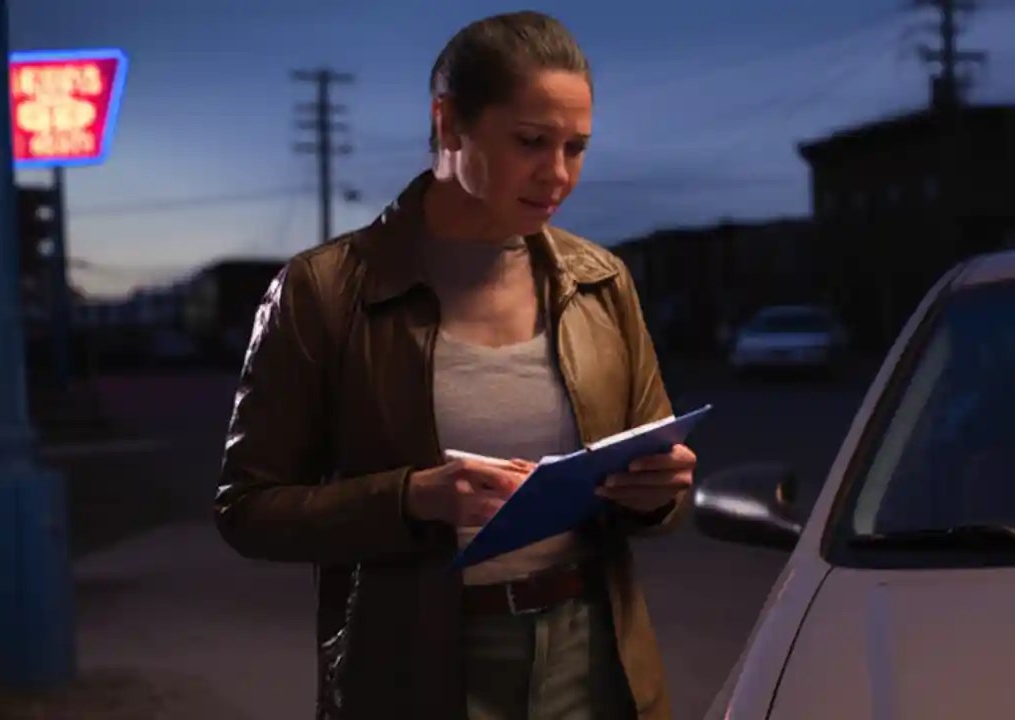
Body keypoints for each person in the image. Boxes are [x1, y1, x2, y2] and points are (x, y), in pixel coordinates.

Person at [213, 10, 697, 720]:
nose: (558, 174)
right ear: (447, 125)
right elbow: (247, 510)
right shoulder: (324, 291)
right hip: (414, 666)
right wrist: (413, 497)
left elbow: (659, 493)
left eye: (576, 147)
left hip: (590, 654)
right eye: (531, 142)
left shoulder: (601, 281)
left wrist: (660, 489)